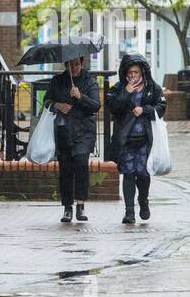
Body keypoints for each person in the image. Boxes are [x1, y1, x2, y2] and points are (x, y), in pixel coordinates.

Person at [107, 54, 166, 224]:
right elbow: (113, 107)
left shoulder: (152, 88)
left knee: (142, 174)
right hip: (126, 139)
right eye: (130, 72)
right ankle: (129, 212)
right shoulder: (118, 88)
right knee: (128, 174)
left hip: (145, 139)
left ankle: (143, 201)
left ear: (142, 72)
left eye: (136, 72)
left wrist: (145, 109)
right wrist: (126, 93)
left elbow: (161, 107)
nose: (133, 76)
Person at [46, 55, 101, 222]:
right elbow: (47, 101)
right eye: (71, 64)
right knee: (66, 168)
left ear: (81, 63)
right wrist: (58, 105)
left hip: (84, 130)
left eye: (77, 64)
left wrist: (80, 96)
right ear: (66, 65)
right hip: (64, 129)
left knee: (81, 163)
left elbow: (96, 106)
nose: (75, 67)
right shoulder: (57, 80)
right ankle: (67, 207)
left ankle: (81, 204)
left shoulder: (89, 81)